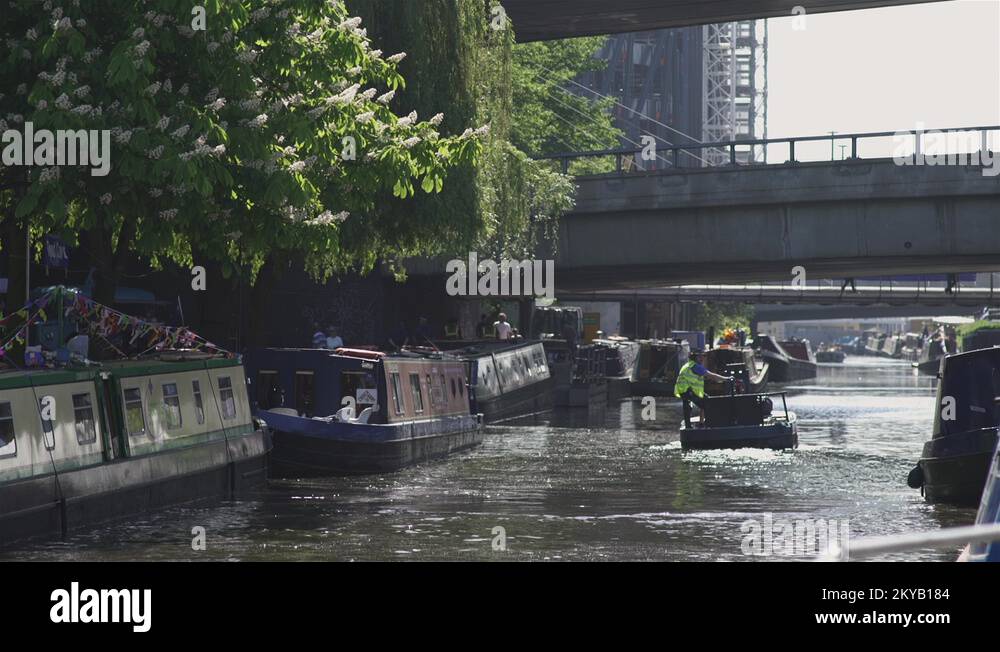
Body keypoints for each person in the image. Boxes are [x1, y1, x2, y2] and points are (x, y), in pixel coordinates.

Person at [674, 349, 734, 429]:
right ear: (696, 358)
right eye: (701, 357)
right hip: (688, 390)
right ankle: (709, 424)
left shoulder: (688, 365)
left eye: (703, 356)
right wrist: (726, 379)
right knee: (707, 404)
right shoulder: (696, 367)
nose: (703, 359)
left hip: (684, 389)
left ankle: (697, 424)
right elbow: (711, 375)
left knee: (694, 404)